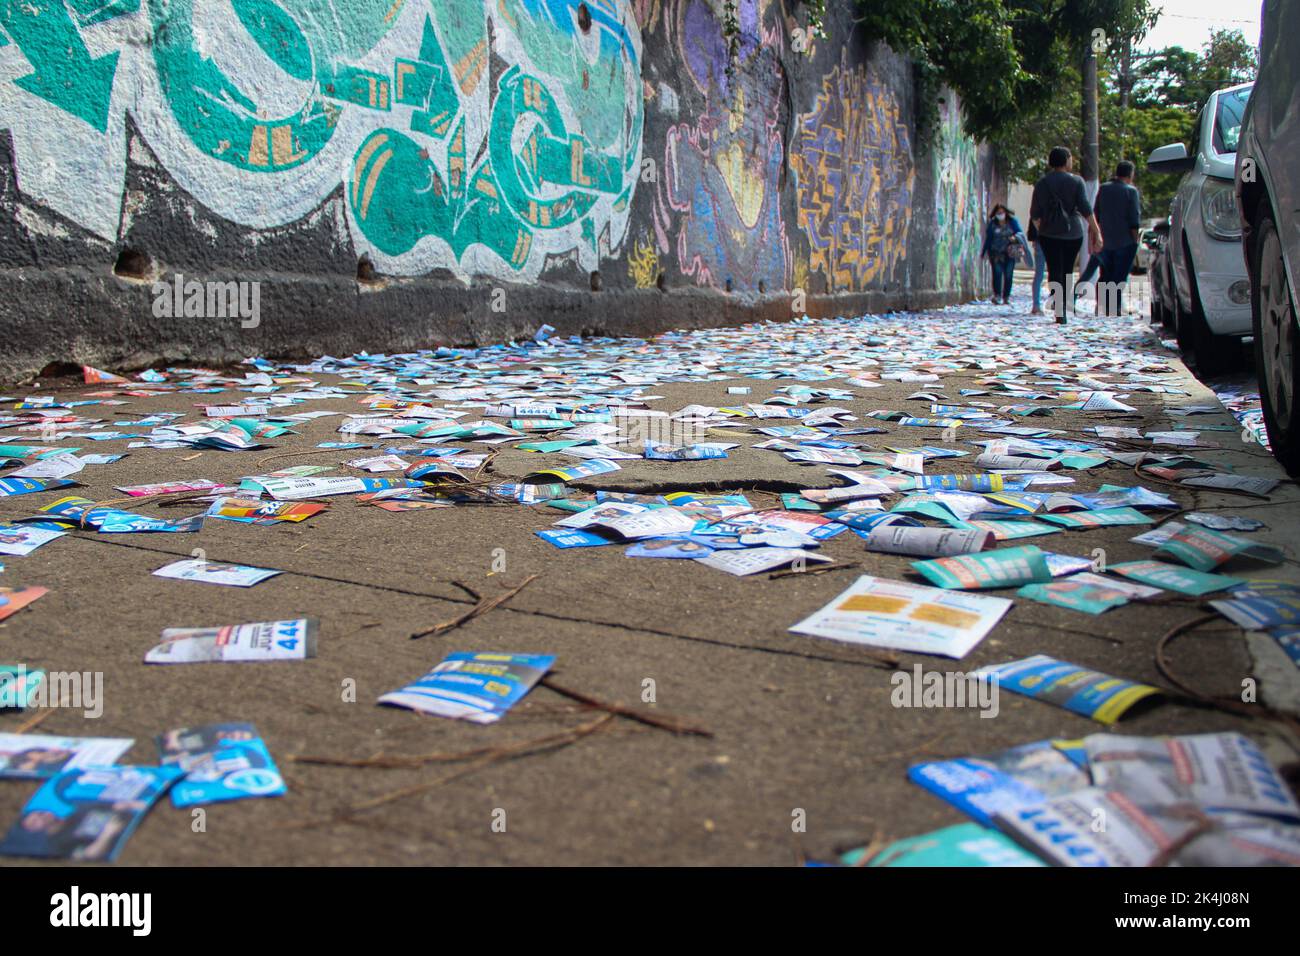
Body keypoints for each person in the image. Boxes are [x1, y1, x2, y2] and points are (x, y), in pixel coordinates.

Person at [1030, 146, 1103, 325]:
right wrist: (1096, 231)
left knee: (1054, 269)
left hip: (1049, 234)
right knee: (1067, 270)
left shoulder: (1042, 183)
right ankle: (1062, 307)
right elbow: (1086, 209)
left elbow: (1035, 214)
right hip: (1073, 233)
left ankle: (1058, 305)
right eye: (1070, 158)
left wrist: (1043, 229)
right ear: (1066, 160)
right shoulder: (1076, 182)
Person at [1092, 160, 1143, 316]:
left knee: (1105, 274)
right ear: (1130, 174)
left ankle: (1101, 305)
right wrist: (1135, 242)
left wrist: (1096, 237)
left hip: (1105, 240)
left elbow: (1096, 213)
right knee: (1119, 276)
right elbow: (1134, 219)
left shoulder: (1103, 189)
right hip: (1125, 241)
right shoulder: (1131, 191)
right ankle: (1114, 307)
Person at [980, 204, 1026, 305]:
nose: (1000, 214)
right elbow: (988, 239)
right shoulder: (992, 224)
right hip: (995, 253)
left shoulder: (1012, 222)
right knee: (997, 274)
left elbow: (1019, 232)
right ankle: (997, 295)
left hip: (1010, 253)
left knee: (1008, 275)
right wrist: (984, 252)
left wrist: (1014, 237)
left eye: (1002, 212)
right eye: (998, 213)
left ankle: (1006, 296)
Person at [1027, 220, 1046, 315]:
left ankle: (1036, 305)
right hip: (1054, 240)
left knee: (1039, 274)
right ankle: (1057, 302)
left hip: (1039, 240)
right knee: (1056, 273)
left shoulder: (1038, 206)